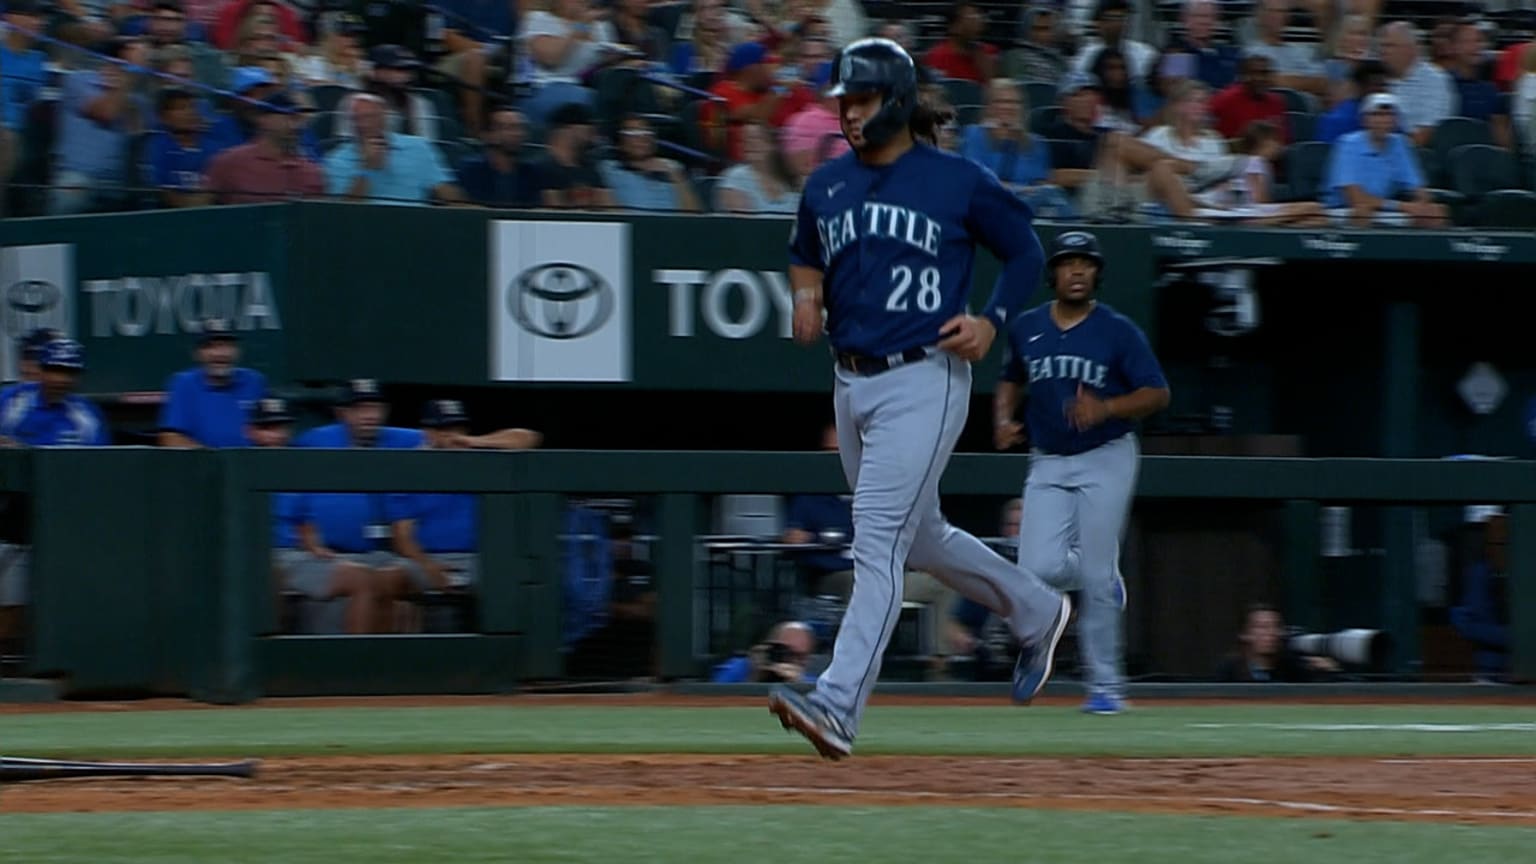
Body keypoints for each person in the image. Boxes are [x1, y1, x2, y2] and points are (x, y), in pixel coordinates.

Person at [770, 38, 1072, 761]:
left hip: (924, 374)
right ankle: (1035, 610)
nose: (848, 113)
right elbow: (804, 253)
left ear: (897, 101)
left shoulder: (954, 179)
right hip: (850, 378)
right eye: (843, 101)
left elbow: (1027, 251)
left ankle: (838, 705)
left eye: (862, 100)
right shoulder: (828, 184)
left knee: (876, 539)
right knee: (921, 536)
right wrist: (806, 298)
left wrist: (992, 319)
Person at [993, 231, 1169, 715]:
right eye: (1068, 263)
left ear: (1096, 274)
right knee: (1037, 570)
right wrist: (1003, 419)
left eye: (1085, 264)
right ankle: (1101, 573)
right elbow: (1010, 380)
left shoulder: (1117, 330)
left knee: (1092, 574)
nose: (1076, 271)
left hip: (1106, 453)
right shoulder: (1028, 327)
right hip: (1048, 458)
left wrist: (1107, 406)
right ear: (1053, 274)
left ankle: (1107, 687)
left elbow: (1157, 393)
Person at [1322, 92, 1447, 227]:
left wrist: (1424, 205)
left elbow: (1417, 188)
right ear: (1365, 120)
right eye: (1377, 115)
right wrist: (1404, 206)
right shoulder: (1348, 143)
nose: (1384, 120)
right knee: (1362, 211)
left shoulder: (1400, 143)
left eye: (1389, 115)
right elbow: (1356, 198)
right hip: (1343, 209)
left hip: (1384, 209)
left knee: (1436, 212)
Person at [326, 94, 464, 206]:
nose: (363, 124)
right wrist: (366, 170)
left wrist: (464, 206)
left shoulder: (418, 147)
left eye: (370, 117)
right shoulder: (337, 160)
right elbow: (344, 214)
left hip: (417, 226)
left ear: (384, 117)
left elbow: (445, 192)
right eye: (357, 119)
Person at [157, 319, 267, 448]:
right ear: (197, 354)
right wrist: (214, 462)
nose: (220, 354)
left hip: (251, 464)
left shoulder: (254, 381)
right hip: (202, 465)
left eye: (227, 345)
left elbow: (270, 433)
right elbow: (170, 438)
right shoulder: (184, 383)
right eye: (210, 346)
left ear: (238, 351)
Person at [0, 340, 111, 447]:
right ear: (41, 371)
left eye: (69, 372)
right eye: (55, 370)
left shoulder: (88, 415)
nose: (61, 379)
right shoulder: (10, 400)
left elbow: (100, 459)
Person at [599, 113, 701, 211]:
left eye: (647, 133)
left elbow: (693, 215)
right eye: (632, 133)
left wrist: (675, 176)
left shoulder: (674, 168)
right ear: (619, 141)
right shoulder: (608, 170)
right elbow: (611, 214)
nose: (642, 138)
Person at [1217, 603, 1338, 682]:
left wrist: (1329, 673)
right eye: (1262, 627)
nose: (1270, 632)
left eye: (1276, 627)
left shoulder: (1294, 668)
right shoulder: (1229, 670)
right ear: (1245, 635)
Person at [456, 106, 541, 208]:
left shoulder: (531, 173)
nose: (517, 134)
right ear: (487, 135)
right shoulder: (471, 171)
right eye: (509, 128)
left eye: (520, 128)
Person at [717, 121, 800, 213]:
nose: (750, 144)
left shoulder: (789, 177)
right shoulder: (736, 177)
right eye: (745, 140)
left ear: (772, 145)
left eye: (756, 139)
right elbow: (742, 222)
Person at [711, 620, 819, 683]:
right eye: (784, 651)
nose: (789, 660)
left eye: (799, 656)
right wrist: (755, 675)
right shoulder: (740, 668)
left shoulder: (810, 683)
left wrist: (797, 686)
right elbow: (714, 699)